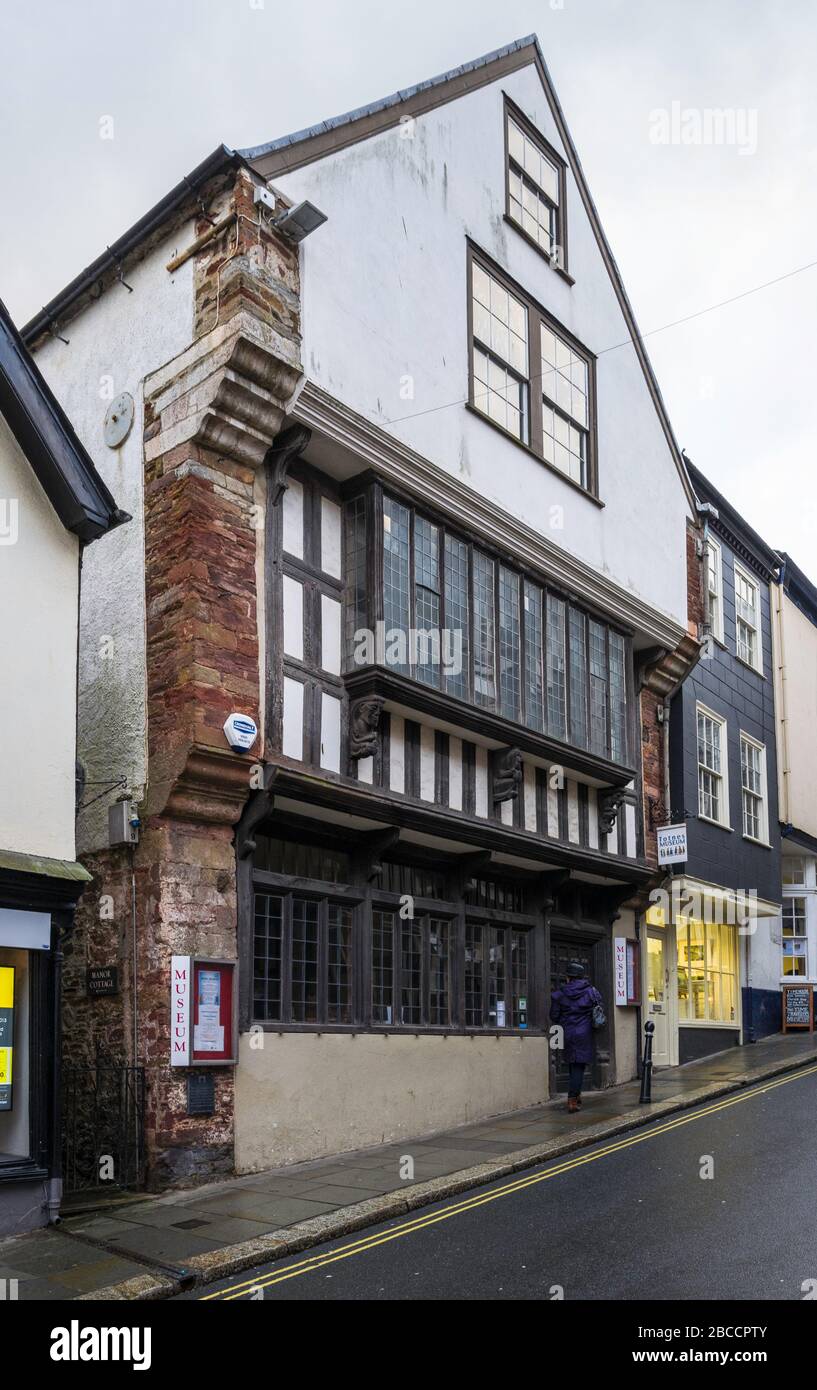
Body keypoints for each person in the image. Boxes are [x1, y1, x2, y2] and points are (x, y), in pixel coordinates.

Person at [549, 961, 603, 1113]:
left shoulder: (560, 993)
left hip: (567, 1032)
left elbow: (554, 1016)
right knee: (579, 1066)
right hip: (584, 1032)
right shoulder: (591, 992)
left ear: (568, 977)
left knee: (573, 1064)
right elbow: (599, 1010)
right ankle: (573, 1100)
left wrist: (566, 1020)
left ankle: (575, 1097)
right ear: (581, 977)